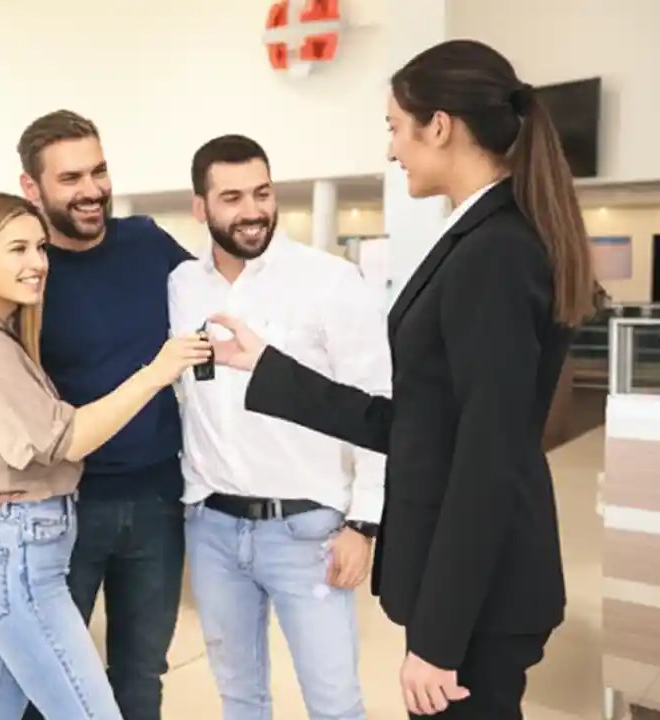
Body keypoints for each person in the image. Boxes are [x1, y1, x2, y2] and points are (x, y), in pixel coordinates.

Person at [209, 39, 597, 719]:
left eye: (394, 127)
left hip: (479, 599)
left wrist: (440, 640)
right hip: (474, 589)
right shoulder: (482, 237)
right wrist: (268, 366)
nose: (391, 149)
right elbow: (420, 424)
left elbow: (487, 459)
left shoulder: (494, 252)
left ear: (439, 126)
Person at [0, 192, 211, 720]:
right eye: (17, 249)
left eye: (39, 247)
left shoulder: (1, 338)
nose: (37, 262)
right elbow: (63, 440)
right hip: (18, 561)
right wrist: (156, 372)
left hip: (14, 553)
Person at [169, 134, 392, 720]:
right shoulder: (182, 285)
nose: (253, 211)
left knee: (334, 704)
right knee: (240, 698)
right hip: (213, 528)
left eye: (262, 193)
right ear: (200, 208)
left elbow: (378, 406)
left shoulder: (330, 281)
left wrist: (363, 523)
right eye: (232, 197)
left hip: (309, 531)